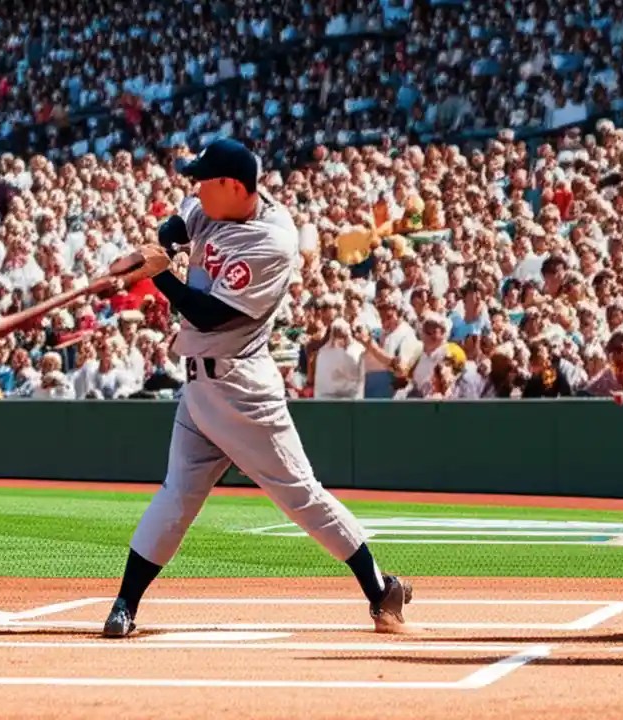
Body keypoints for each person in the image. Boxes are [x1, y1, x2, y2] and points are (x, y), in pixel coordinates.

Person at [100, 139, 412, 638]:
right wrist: (160, 248)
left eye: (205, 178)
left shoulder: (272, 239)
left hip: (243, 391)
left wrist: (160, 277)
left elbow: (210, 314)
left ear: (234, 186)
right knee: (175, 497)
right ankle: (124, 606)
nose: (195, 185)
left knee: (302, 497)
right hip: (198, 387)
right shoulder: (208, 204)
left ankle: (381, 590)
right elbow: (174, 226)